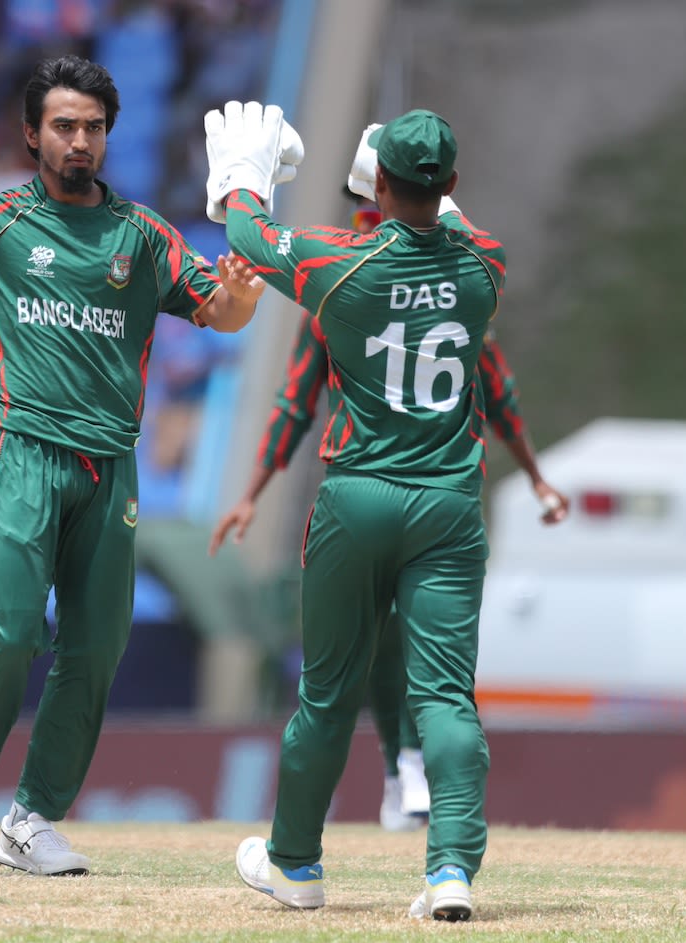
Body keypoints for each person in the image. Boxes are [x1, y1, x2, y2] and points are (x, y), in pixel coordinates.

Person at [0, 55, 269, 877]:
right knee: (9, 630)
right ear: (33, 133)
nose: (81, 141)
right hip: (23, 447)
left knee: (97, 646)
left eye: (94, 128)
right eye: (65, 126)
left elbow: (219, 312)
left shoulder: (143, 236)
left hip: (111, 463)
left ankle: (31, 820)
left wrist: (243, 294)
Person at [205, 103, 503, 920]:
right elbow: (460, 223)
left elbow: (250, 237)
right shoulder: (486, 267)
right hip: (447, 501)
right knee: (444, 695)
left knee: (327, 694)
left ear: (378, 185)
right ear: (449, 182)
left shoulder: (342, 265)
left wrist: (242, 175)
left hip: (358, 496)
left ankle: (296, 863)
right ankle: (449, 870)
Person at [209, 192, 571, 834]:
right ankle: (427, 813)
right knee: (431, 670)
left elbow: (296, 403)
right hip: (445, 498)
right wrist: (538, 480)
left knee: (345, 672)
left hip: (362, 496)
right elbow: (501, 395)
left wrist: (252, 494)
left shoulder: (339, 285)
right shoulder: (467, 279)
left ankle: (304, 848)